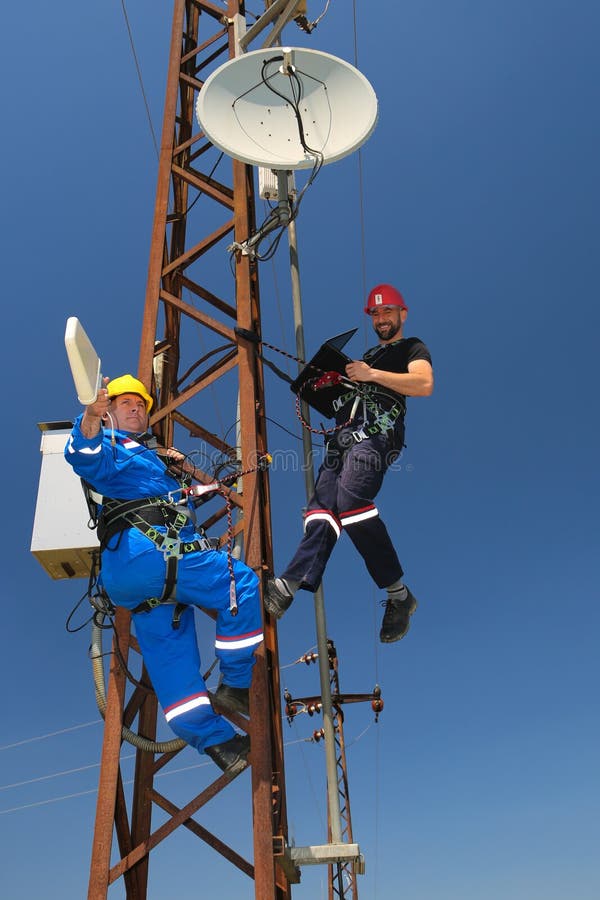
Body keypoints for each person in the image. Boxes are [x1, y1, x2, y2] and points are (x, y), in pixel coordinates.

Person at [64, 374, 264, 778]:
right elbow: (81, 454)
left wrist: (184, 470)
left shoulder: (150, 458)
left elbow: (193, 493)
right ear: (109, 413)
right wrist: (89, 416)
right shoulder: (110, 445)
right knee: (240, 585)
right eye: (125, 404)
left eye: (140, 405)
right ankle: (235, 685)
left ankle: (218, 743)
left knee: (170, 660)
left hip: (130, 577)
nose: (136, 408)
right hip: (155, 553)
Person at [265, 284, 434, 642]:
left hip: (376, 433)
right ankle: (289, 584)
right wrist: (326, 382)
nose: (381, 319)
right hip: (342, 437)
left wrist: (370, 375)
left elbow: (423, 383)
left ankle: (399, 595)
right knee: (321, 511)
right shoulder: (368, 356)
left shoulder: (411, 347)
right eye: (375, 314)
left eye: (387, 312)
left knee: (352, 503)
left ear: (402, 314)